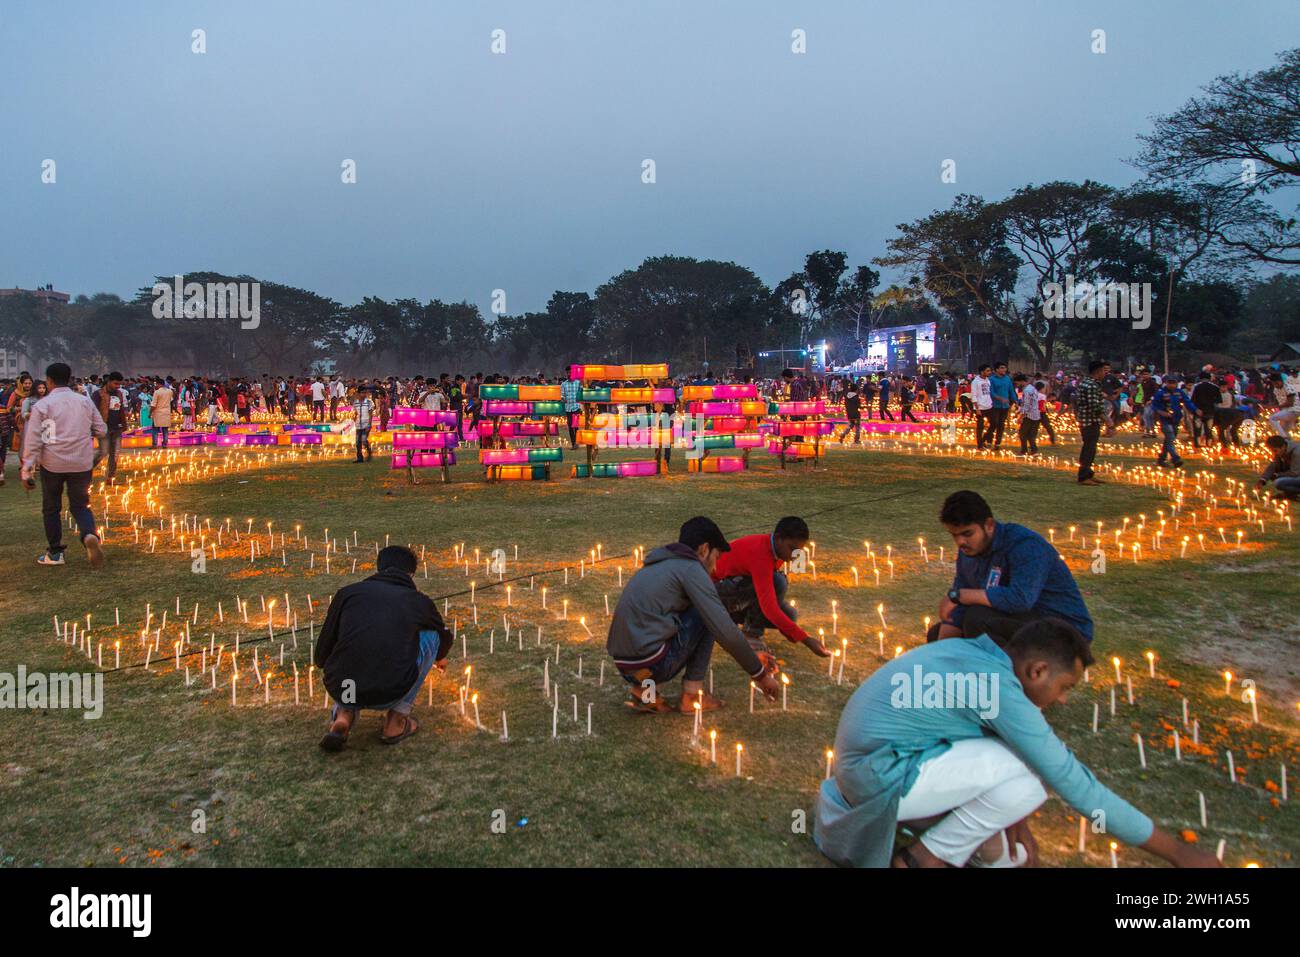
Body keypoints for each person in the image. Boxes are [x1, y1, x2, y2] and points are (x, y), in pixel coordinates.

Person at [815, 618, 1221, 869]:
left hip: (867, 772)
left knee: (1005, 843)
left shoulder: (974, 654)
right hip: (877, 780)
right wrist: (1178, 853)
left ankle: (939, 853)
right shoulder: (999, 687)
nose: (1062, 699)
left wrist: (1017, 822)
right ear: (1038, 669)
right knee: (1033, 776)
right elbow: (1072, 781)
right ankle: (923, 859)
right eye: (1065, 687)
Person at [607, 516, 781, 714]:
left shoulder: (660, 564)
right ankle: (691, 695)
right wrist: (760, 675)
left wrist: (752, 656)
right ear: (704, 549)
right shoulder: (691, 569)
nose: (715, 567)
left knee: (699, 613)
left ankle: (646, 692)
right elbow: (723, 629)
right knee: (707, 614)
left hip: (628, 667)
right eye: (716, 558)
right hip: (652, 662)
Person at [314, 545, 452, 751]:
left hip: (346, 688)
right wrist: (440, 658)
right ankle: (396, 721)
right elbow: (443, 636)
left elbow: (322, 653)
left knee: (352, 658)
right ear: (411, 573)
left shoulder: (347, 594)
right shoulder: (418, 601)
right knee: (432, 635)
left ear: (378, 567)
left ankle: (343, 716)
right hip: (390, 688)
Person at [928, 490, 1093, 643]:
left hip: (1065, 632)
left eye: (967, 534)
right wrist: (942, 652)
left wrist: (960, 595)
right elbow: (959, 605)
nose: (960, 542)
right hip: (1019, 622)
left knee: (978, 619)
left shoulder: (1024, 545)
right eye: (954, 535)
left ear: (989, 525)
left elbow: (1020, 599)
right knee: (938, 636)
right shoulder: (968, 552)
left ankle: (1004, 674)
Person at [20, 363, 108, 568]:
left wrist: (26, 470)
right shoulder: (84, 402)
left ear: (49, 381)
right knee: (80, 505)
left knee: (51, 508)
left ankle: (56, 552)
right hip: (81, 462)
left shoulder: (43, 405)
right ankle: (88, 535)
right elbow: (101, 429)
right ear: (69, 379)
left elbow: (34, 440)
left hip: (53, 463)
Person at [713, 517, 831, 659]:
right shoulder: (761, 554)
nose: (795, 556)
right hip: (716, 595)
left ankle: (739, 620)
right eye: (792, 549)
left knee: (790, 615)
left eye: (798, 551)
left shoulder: (777, 550)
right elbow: (769, 608)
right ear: (778, 538)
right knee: (778, 581)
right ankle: (751, 633)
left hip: (738, 591)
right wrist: (806, 639)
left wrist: (792, 634)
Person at [1075, 359, 1108, 485]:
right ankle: (1084, 476)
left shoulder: (1088, 383)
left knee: (1091, 448)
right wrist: (1108, 421)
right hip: (1089, 421)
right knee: (1088, 448)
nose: (1105, 373)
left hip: (1087, 420)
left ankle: (1088, 473)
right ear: (1098, 371)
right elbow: (1095, 406)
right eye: (1104, 371)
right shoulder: (1091, 385)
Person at [1150, 374, 1191, 468]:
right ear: (1166, 383)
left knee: (1169, 440)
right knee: (1170, 437)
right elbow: (1155, 406)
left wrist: (1194, 410)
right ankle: (1175, 458)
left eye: (1174, 383)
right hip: (1165, 420)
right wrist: (1161, 412)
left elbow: (1187, 402)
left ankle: (1161, 459)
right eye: (1170, 383)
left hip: (1176, 419)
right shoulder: (1160, 393)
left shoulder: (1179, 392)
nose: (1172, 385)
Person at [96, 371, 128, 481]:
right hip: (104, 427)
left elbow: (121, 409)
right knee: (103, 452)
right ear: (109, 381)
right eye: (115, 384)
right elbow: (93, 411)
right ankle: (85, 471)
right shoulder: (99, 394)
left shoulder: (119, 393)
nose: (117, 386)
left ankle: (110, 477)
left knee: (115, 454)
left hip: (117, 427)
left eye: (119, 384)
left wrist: (124, 424)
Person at [1258, 435, 1300, 500]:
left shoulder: (1297, 452)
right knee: (1279, 480)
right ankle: (1290, 494)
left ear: (1283, 447)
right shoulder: (1281, 449)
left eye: (1275, 451)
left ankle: (1290, 493)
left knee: (1279, 482)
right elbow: (1273, 465)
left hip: (1297, 475)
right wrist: (1263, 480)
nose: (1274, 453)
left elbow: (1294, 472)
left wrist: (1277, 475)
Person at [982, 361, 1013, 448]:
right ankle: (987, 441)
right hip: (994, 406)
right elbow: (991, 392)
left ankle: (997, 443)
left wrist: (1015, 400)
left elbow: (1011, 390)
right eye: (1002, 368)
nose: (1004, 370)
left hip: (1005, 406)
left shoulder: (1007, 379)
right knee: (994, 424)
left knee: (1001, 425)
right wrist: (999, 398)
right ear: (996, 370)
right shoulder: (991, 380)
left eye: (1005, 368)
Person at [1014, 374, 1040, 455]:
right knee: (1031, 434)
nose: (1017, 386)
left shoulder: (1027, 391)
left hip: (1029, 415)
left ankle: (1024, 450)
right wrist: (1019, 411)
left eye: (1017, 383)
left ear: (1021, 381)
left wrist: (1021, 417)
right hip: (1036, 414)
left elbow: (1027, 405)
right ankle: (1034, 450)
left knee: (1022, 433)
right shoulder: (1032, 388)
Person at [970, 365, 993, 449]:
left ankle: (984, 440)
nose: (989, 372)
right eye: (987, 371)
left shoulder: (987, 380)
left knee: (994, 424)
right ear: (982, 372)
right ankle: (980, 445)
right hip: (980, 407)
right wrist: (977, 408)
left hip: (989, 406)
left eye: (989, 370)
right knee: (980, 427)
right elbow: (974, 396)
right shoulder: (975, 382)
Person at [352, 386, 374, 463]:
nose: (364, 394)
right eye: (362, 393)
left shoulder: (369, 402)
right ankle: (359, 458)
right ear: (358, 393)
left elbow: (371, 414)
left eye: (365, 393)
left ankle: (369, 453)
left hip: (366, 424)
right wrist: (353, 420)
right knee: (358, 442)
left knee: (364, 440)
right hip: (358, 424)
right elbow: (355, 413)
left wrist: (369, 424)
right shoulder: (356, 403)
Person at [150, 378, 174, 447]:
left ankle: (154, 444)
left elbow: (153, 405)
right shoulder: (170, 391)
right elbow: (171, 400)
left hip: (158, 413)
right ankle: (165, 444)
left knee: (155, 430)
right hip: (166, 412)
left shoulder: (157, 392)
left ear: (158, 384)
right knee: (165, 430)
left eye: (156, 384)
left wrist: (150, 413)